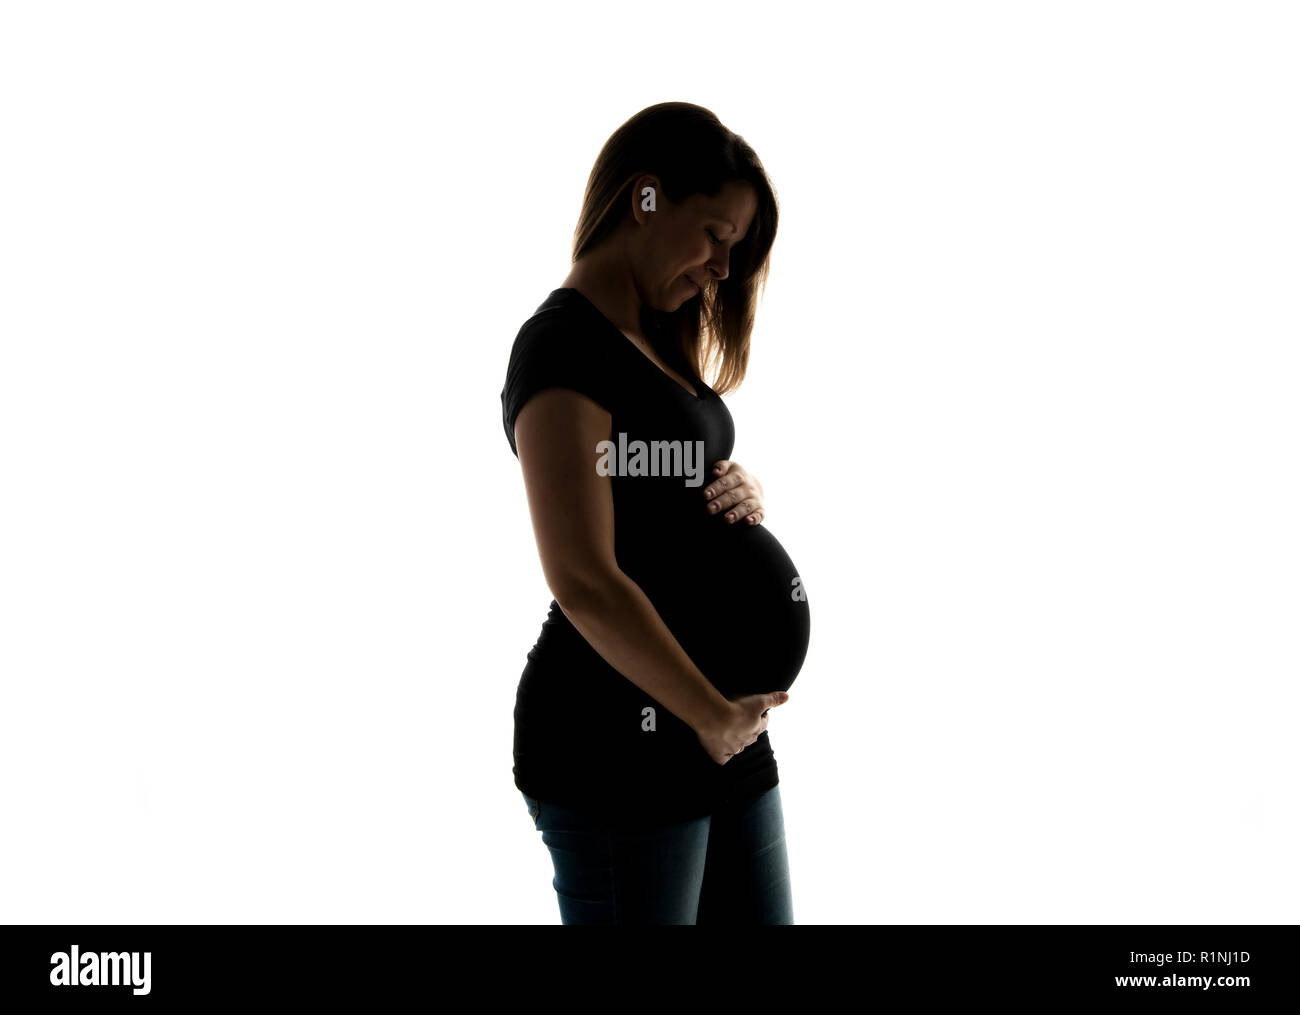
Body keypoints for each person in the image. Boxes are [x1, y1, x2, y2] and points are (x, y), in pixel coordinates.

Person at [500, 102, 810, 925]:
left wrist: (732, 491)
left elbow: (658, 487)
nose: (721, 266)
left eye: (735, 249)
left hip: (722, 733)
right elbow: (583, 577)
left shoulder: (656, 338)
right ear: (644, 199)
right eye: (714, 233)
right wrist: (708, 715)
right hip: (616, 745)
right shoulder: (563, 348)